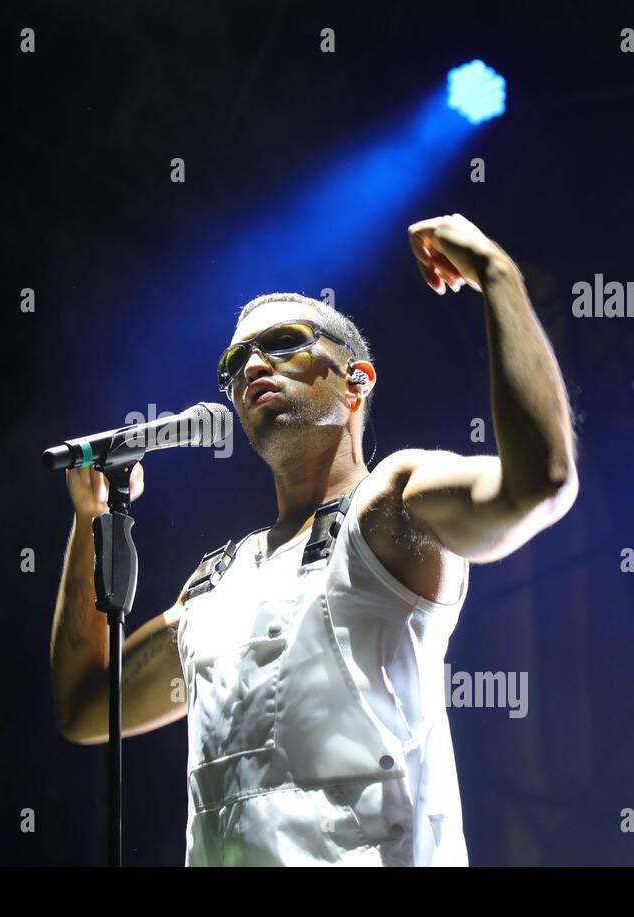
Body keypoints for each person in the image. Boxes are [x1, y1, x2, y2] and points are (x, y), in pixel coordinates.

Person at [49, 213, 578, 865]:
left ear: (355, 381)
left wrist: (497, 275)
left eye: (282, 342)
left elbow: (542, 484)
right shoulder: (216, 581)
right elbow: (84, 709)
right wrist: (89, 521)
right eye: (233, 361)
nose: (251, 365)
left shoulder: (394, 502)